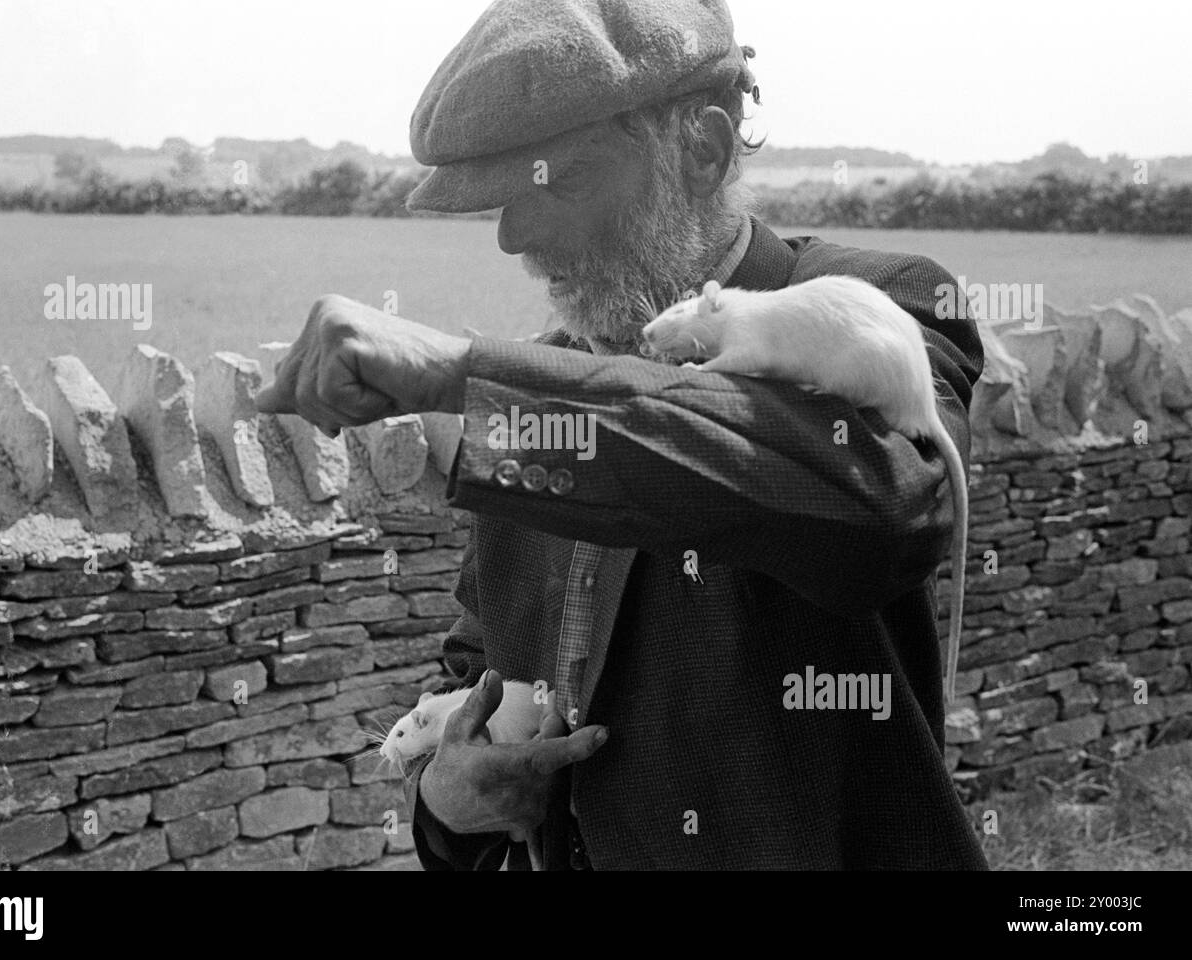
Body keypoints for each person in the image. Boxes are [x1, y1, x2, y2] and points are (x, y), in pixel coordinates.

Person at [256, 0, 988, 869]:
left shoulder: (875, 299)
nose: (513, 237)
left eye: (553, 182)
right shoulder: (537, 387)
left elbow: (888, 507)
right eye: (500, 198)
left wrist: (461, 372)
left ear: (704, 149)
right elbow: (473, 683)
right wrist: (450, 802)